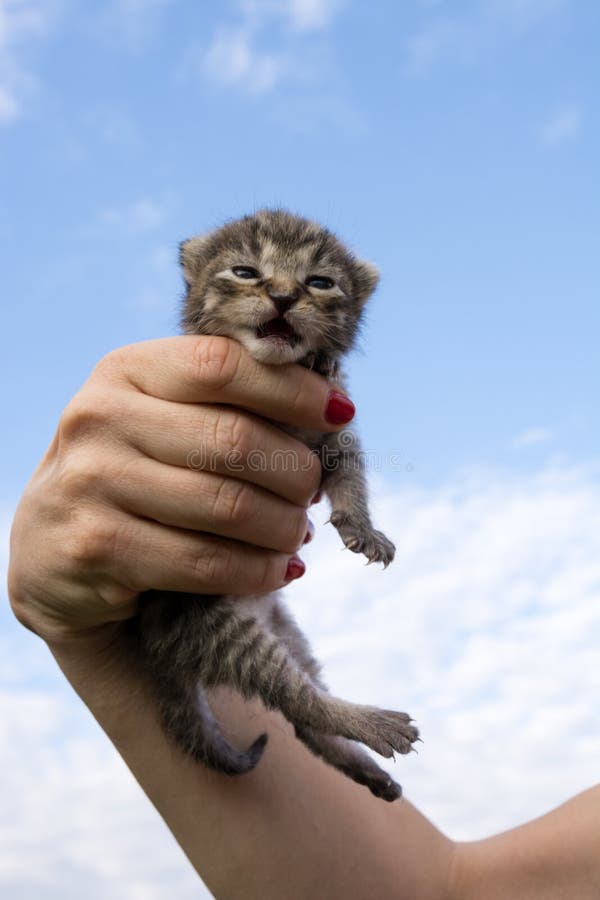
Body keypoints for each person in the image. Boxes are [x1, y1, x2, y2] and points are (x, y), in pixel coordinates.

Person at [8, 335, 600, 900]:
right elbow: (435, 891)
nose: (283, 293)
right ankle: (326, 724)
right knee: (281, 657)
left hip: (232, 611)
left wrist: (354, 517)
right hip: (184, 609)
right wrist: (91, 630)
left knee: (287, 658)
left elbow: (341, 456)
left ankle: (328, 728)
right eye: (248, 275)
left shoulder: (325, 386)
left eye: (318, 285)